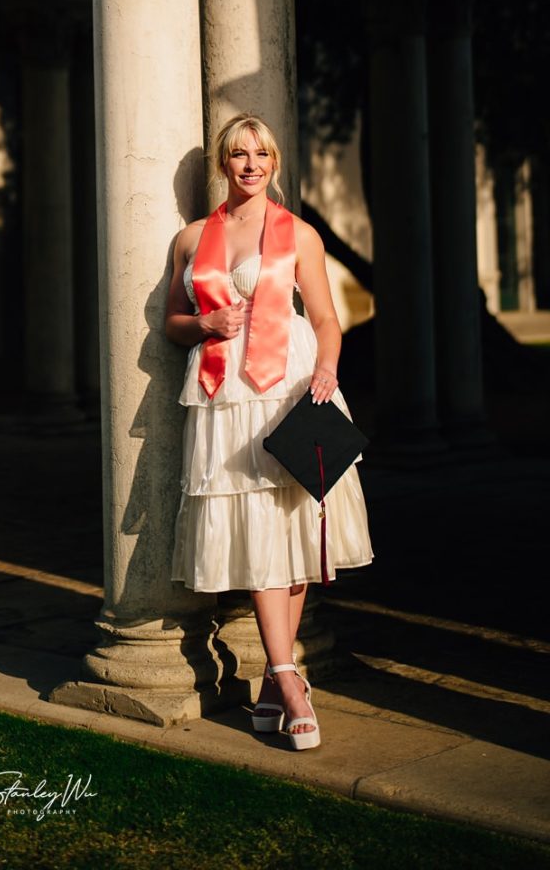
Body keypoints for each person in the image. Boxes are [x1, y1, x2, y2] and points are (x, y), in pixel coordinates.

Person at [165, 113, 373, 750]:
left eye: (261, 154)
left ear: (274, 162)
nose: (250, 164)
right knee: (258, 530)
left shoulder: (301, 236)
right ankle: (288, 678)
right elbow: (172, 322)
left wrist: (329, 370)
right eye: (238, 154)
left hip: (292, 385)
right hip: (227, 396)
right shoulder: (191, 239)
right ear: (223, 165)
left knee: (297, 530)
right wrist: (205, 325)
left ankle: (272, 681)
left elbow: (329, 320)